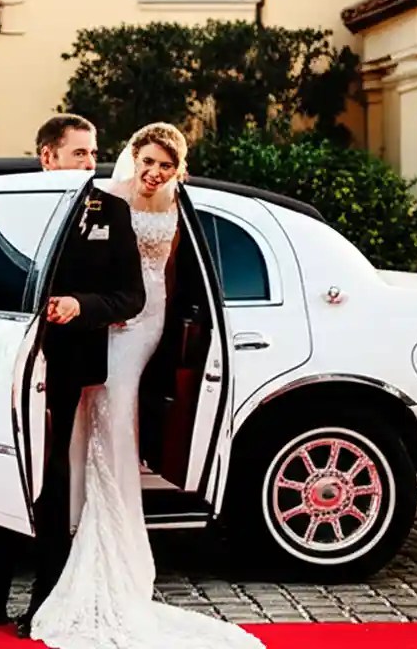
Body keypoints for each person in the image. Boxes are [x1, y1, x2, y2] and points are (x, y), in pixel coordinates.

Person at [29, 122, 267, 649]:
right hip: (104, 315)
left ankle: (109, 528)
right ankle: (69, 517)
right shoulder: (105, 198)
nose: (155, 173)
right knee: (80, 416)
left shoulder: (181, 206)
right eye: (149, 162)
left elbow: (175, 272)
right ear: (133, 158)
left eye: (166, 165)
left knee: (114, 413)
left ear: (177, 169)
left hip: (144, 319)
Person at [0, 113, 146, 638]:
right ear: (47, 156)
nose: (89, 162)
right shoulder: (6, 206)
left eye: (93, 152)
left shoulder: (110, 211)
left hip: (66, 366)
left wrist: (82, 305)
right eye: (79, 153)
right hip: (3, 365)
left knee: (50, 484)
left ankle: (44, 605)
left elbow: (132, 296)